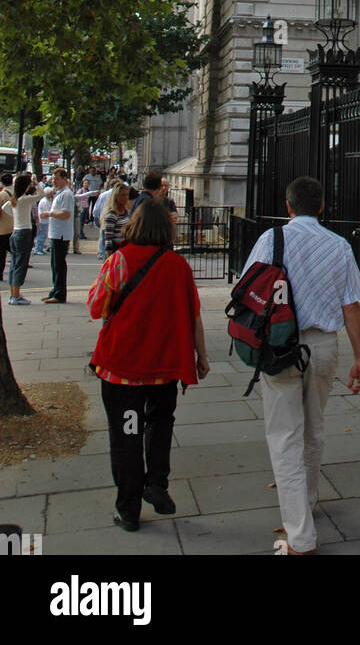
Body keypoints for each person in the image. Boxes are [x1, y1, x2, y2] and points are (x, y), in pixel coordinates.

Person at [241, 175, 360, 555]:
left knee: (284, 437)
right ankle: (307, 502)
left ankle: (300, 537)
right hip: (324, 345)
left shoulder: (270, 240)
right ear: (323, 206)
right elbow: (351, 306)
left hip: (281, 346)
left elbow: (248, 289)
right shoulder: (339, 246)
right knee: (313, 427)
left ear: (288, 206)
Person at [88, 200, 210, 532]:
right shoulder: (178, 266)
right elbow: (194, 314)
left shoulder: (118, 262)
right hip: (164, 367)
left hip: (123, 368)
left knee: (127, 435)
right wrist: (202, 356)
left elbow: (96, 307)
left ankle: (127, 509)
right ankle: (156, 481)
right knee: (159, 424)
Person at [2, 173, 40, 305]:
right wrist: (36, 182)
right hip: (24, 233)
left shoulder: (14, 200)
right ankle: (16, 295)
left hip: (15, 232)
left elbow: (5, 208)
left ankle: (13, 294)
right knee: (21, 264)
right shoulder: (25, 199)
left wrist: (15, 217)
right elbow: (41, 195)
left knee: (14, 264)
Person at [43, 168, 74, 304]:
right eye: (53, 179)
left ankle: (60, 294)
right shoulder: (60, 193)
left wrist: (49, 213)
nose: (53, 181)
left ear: (64, 179)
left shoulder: (66, 194)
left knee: (59, 264)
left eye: (56, 179)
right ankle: (55, 291)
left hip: (61, 234)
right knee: (55, 264)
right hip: (56, 233)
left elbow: (66, 214)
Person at [101, 183, 132, 254]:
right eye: (123, 195)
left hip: (125, 249)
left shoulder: (126, 212)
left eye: (127, 195)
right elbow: (108, 239)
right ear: (116, 197)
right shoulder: (112, 215)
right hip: (116, 251)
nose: (126, 198)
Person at [0, 171, 14, 285]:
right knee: (14, 251)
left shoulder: (2, 195)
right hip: (15, 227)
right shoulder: (17, 192)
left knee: (1, 252)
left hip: (2, 228)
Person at [34, 186, 53, 255]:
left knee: (43, 235)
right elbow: (46, 212)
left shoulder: (49, 200)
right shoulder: (44, 201)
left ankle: (40, 248)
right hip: (42, 220)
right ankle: (37, 249)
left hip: (45, 220)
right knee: (41, 236)